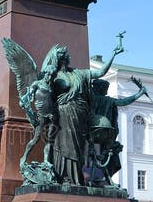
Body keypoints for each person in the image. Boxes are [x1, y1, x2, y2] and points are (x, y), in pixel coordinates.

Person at [45, 44, 124, 185]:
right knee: (65, 145)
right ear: (61, 58)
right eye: (67, 55)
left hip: (80, 115)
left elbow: (100, 72)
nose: (69, 56)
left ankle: (76, 178)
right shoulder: (55, 75)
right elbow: (46, 92)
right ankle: (64, 176)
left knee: (79, 147)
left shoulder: (79, 73)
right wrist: (48, 77)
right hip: (64, 113)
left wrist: (113, 54)